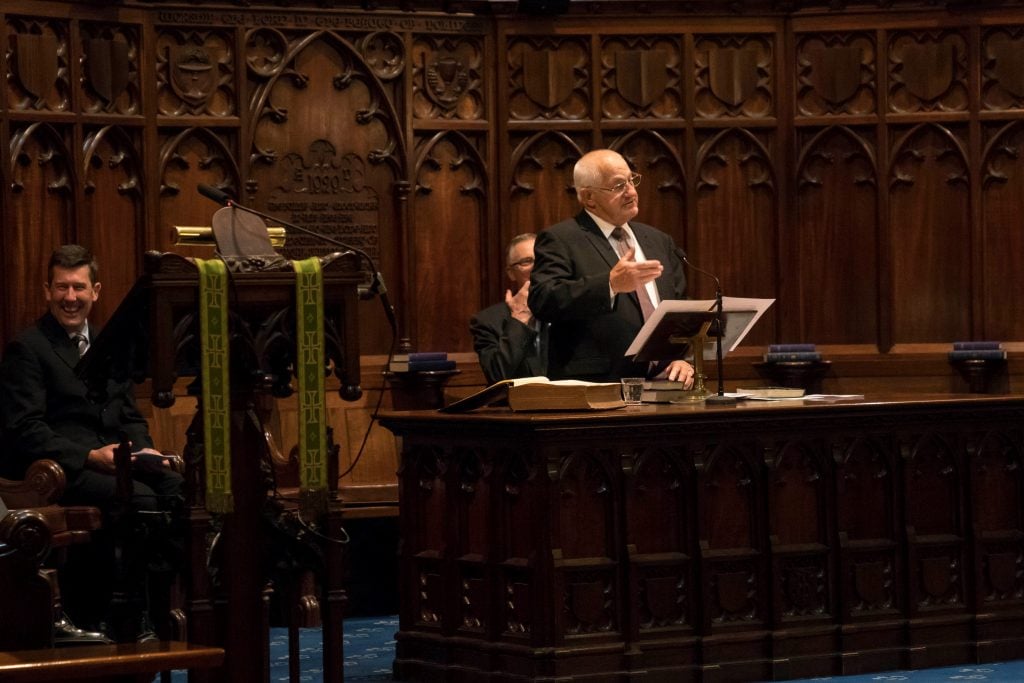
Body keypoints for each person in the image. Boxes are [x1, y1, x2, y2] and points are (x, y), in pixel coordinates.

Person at [0, 244, 184, 643]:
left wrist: (147, 449)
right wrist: (88, 455)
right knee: (141, 500)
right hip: (66, 469)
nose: (70, 298)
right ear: (47, 291)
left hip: (119, 459)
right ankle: (129, 615)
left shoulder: (108, 342)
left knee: (179, 489)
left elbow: (129, 414)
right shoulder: (27, 348)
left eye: (79, 288)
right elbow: (25, 428)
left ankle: (169, 609)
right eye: (62, 288)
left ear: (95, 291)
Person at [528, 149, 696, 386]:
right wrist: (610, 285)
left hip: (665, 384)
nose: (631, 192)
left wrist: (682, 358)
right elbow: (543, 300)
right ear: (588, 198)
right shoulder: (561, 239)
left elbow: (680, 309)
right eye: (618, 186)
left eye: (631, 180)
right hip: (600, 385)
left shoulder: (658, 240)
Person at [470, 233, 548, 384]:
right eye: (527, 261)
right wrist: (519, 319)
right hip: (515, 405)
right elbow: (497, 376)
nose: (537, 266)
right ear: (511, 273)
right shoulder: (487, 321)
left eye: (542, 258)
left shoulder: (571, 309)